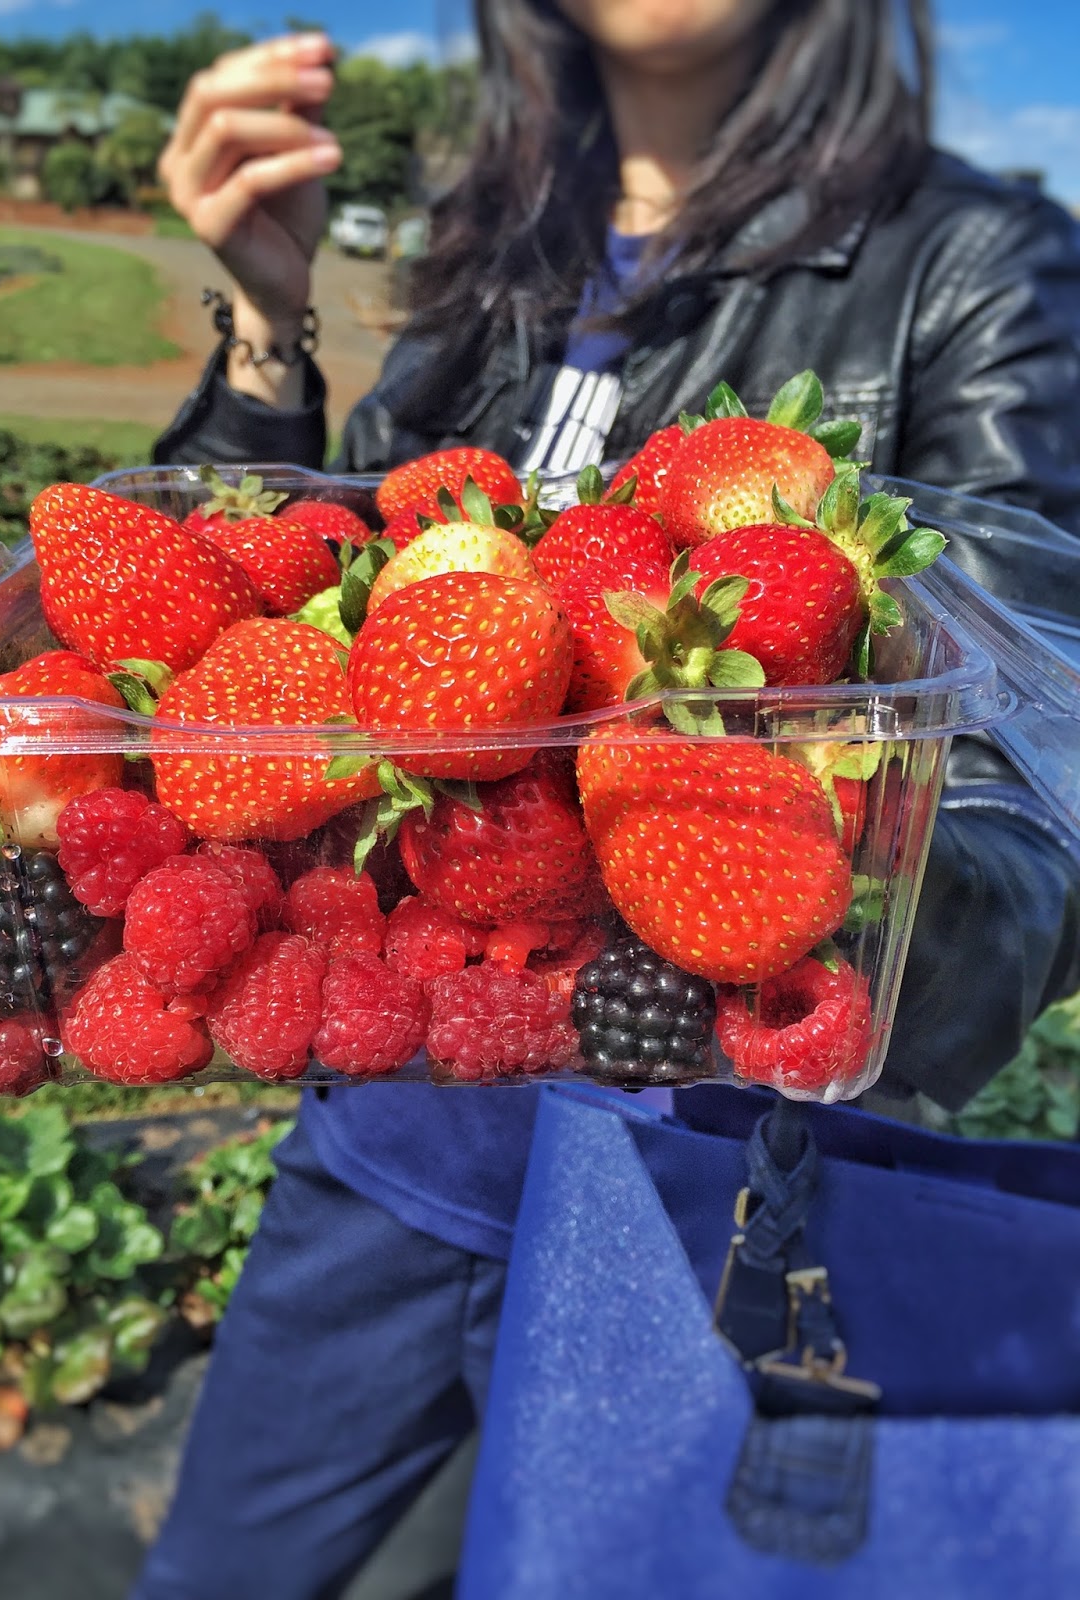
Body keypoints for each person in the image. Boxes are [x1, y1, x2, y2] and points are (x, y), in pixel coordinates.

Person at [138, 3, 1080, 1595]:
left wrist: (810, 906)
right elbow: (323, 604)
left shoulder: (972, 261)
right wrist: (263, 323)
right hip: (384, 1119)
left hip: (693, 1212)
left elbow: (1030, 773)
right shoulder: (501, 238)